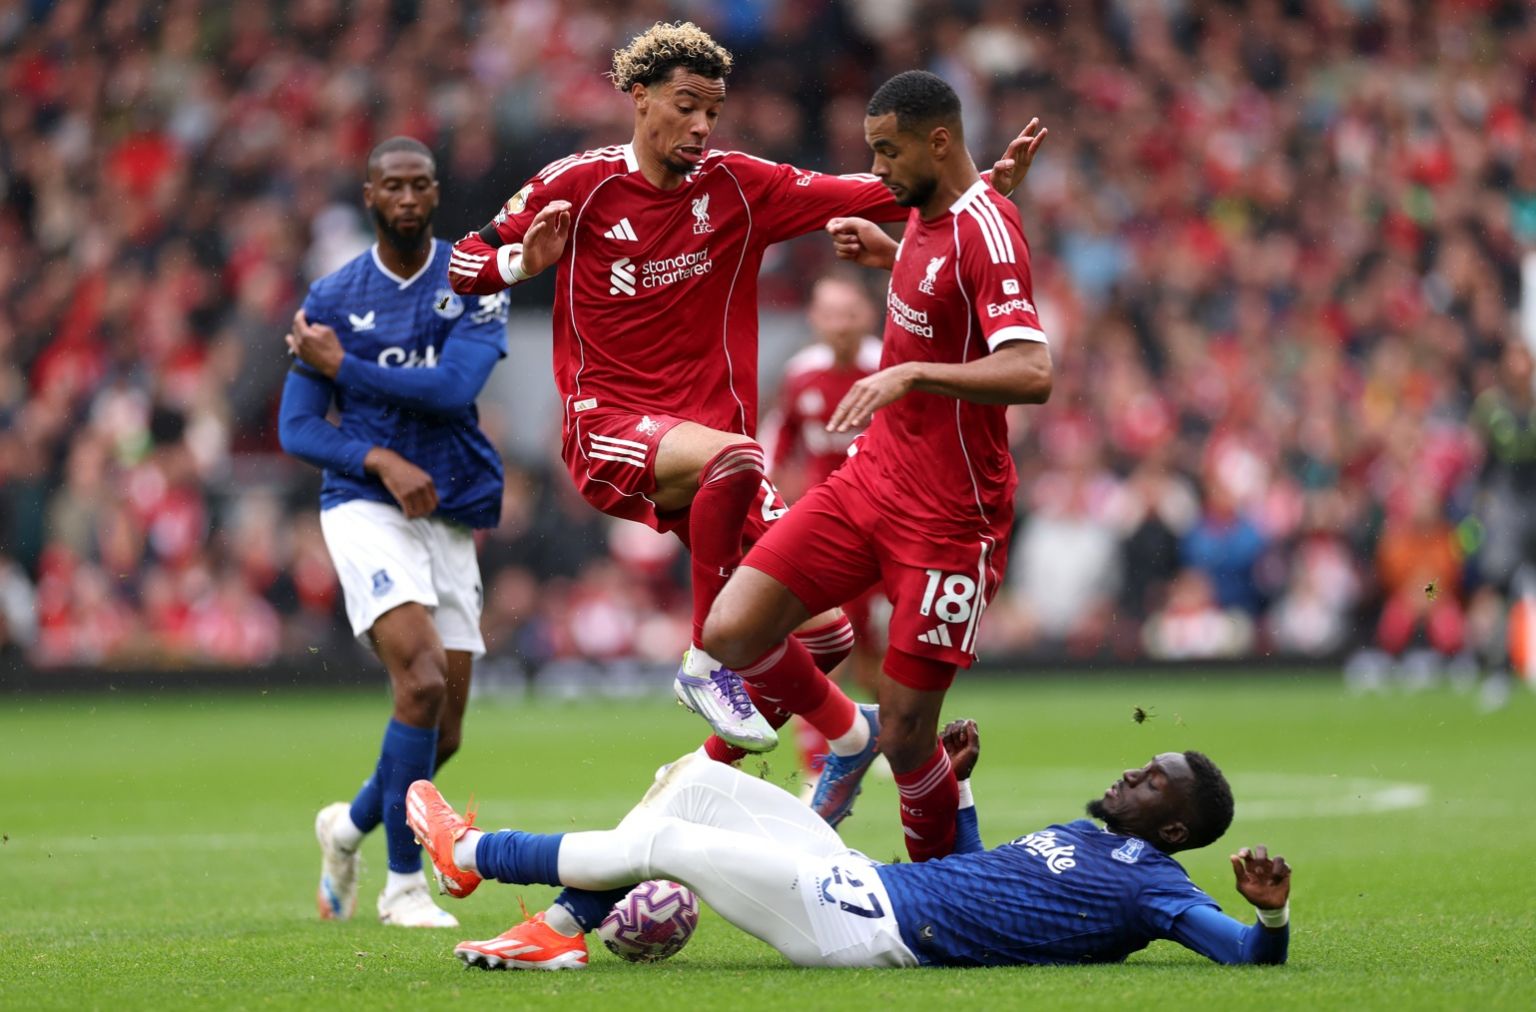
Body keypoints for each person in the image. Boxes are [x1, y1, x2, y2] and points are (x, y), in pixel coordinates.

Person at [446, 23, 1043, 963]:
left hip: (719, 452)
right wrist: (528, 263)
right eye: (684, 106)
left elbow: (886, 187)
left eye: (713, 111)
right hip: (614, 430)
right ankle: (702, 672)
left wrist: (976, 190)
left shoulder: (738, 186)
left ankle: (840, 746)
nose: (699, 126)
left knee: (829, 638)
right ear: (639, 97)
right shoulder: (579, 184)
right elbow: (464, 260)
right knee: (735, 486)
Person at [703, 70, 1052, 861]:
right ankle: (841, 733)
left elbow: (1034, 372)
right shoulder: (925, 216)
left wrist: (910, 373)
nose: (878, 170)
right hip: (869, 482)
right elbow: (939, 285)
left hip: (950, 519)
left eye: (888, 152)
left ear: (938, 141)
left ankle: (942, 894)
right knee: (731, 626)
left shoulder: (989, 231)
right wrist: (892, 256)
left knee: (908, 733)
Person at [405, 728, 1293, 969]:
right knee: (694, 782)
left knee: (671, 840)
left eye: (1151, 782)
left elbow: (1248, 955)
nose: (1131, 776)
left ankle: (472, 854)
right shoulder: (1082, 837)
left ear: (1174, 828)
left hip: (866, 929)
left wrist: (1273, 914)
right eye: (1142, 767)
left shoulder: (1159, 891)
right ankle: (562, 927)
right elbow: (969, 868)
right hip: (872, 881)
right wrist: (962, 784)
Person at [278, 136, 509, 928]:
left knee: (442, 732)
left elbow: (454, 389)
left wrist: (346, 368)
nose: (407, 200)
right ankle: (402, 886)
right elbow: (298, 427)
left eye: (420, 187)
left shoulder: (475, 275)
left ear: (436, 194)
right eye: (392, 188)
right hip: (365, 502)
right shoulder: (334, 293)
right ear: (370, 195)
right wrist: (376, 455)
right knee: (417, 682)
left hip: (448, 506)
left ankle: (344, 829)